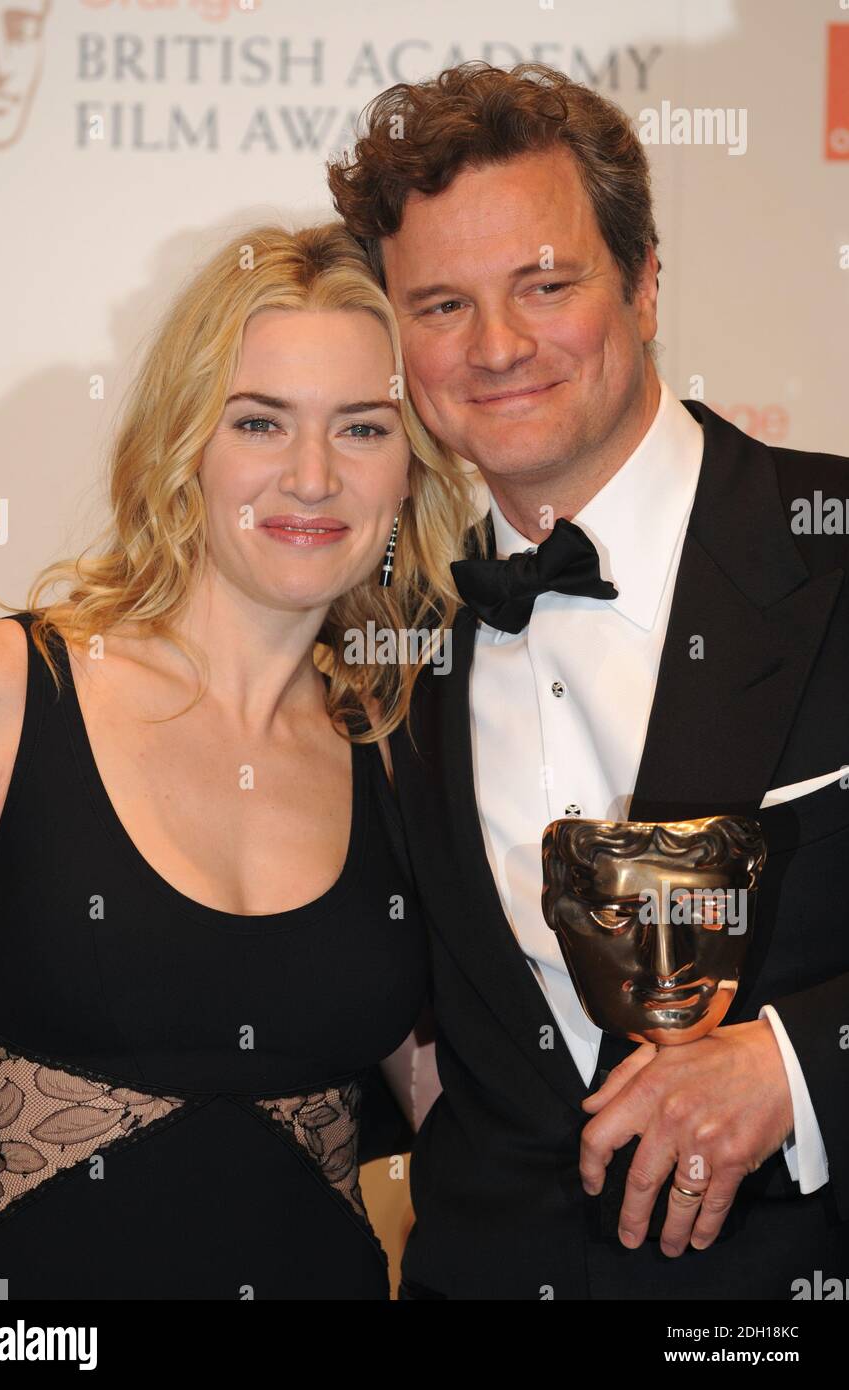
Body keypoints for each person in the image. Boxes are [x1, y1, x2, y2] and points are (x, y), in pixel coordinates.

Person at [324, 61, 849, 1299]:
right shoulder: (381, 639)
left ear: (646, 279)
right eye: (442, 304)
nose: (498, 347)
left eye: (546, 285)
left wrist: (799, 1067)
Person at [0, 220, 476, 1299]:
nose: (313, 475)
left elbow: (470, 1115)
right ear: (185, 441)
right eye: (260, 421)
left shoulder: (405, 749)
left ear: (411, 471)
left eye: (364, 428)